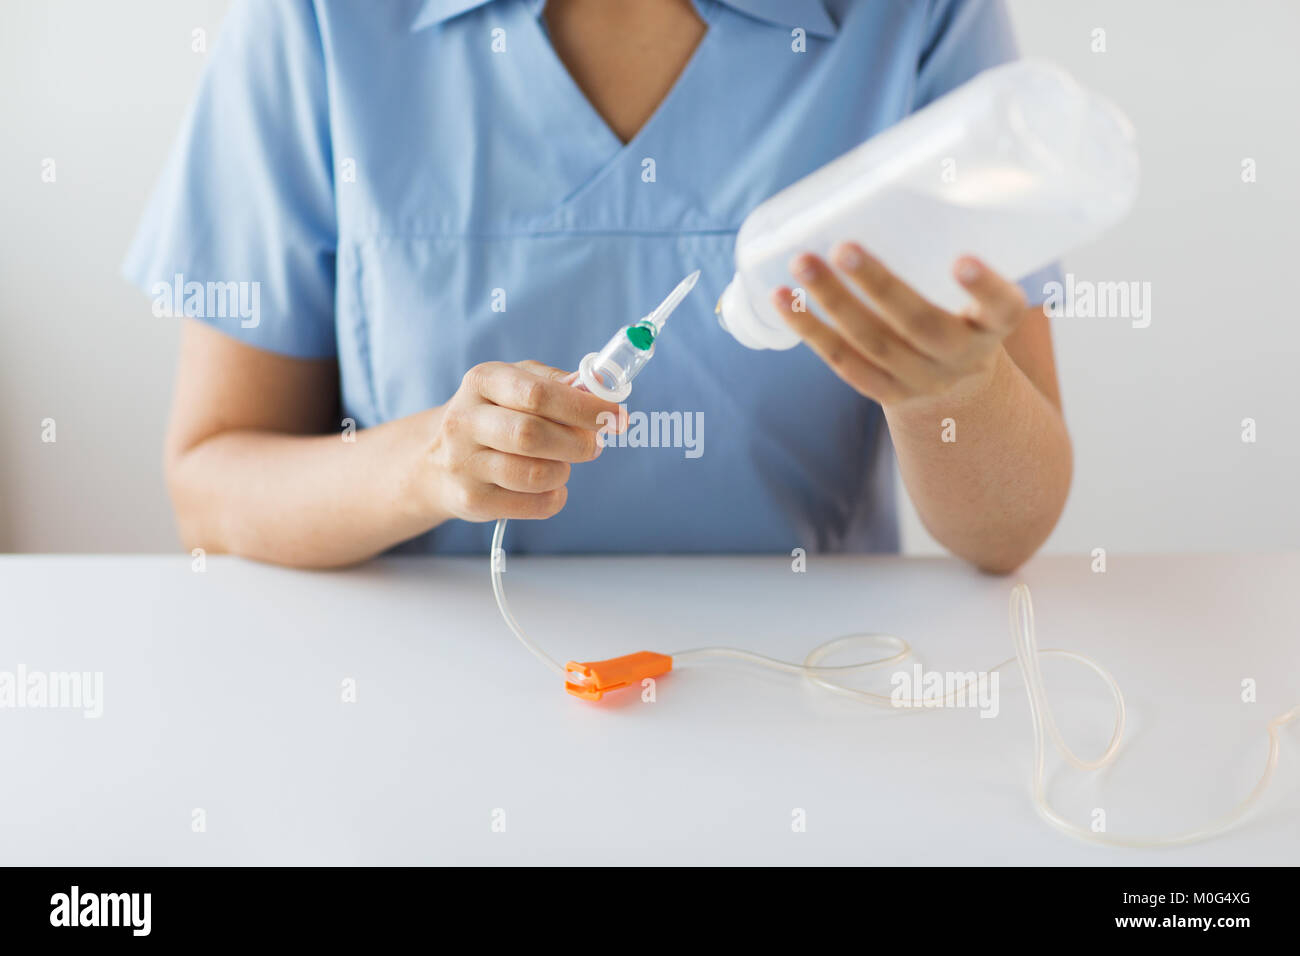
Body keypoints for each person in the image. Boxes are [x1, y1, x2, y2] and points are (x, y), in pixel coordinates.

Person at [123, 0, 1071, 572]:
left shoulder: (915, 20)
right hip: (422, 696)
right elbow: (210, 488)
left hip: (806, 697)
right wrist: (427, 466)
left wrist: (952, 387)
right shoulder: (323, 22)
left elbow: (1007, 535)